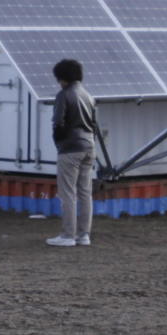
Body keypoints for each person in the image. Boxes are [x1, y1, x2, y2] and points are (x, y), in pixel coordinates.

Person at [47, 58, 99, 247]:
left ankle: (68, 235)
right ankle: (84, 235)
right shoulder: (88, 96)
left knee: (68, 193)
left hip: (70, 148)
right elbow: (94, 124)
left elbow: (58, 123)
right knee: (85, 193)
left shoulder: (64, 95)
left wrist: (59, 143)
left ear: (62, 77)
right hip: (89, 146)